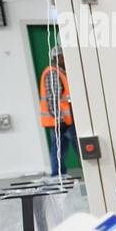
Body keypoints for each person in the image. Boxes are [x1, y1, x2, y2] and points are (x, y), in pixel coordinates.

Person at [40, 45, 76, 177]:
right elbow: (53, 98)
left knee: (61, 149)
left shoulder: (61, 72)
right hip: (60, 121)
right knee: (59, 149)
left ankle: (59, 176)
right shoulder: (52, 72)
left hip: (65, 120)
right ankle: (57, 176)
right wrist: (59, 120)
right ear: (58, 58)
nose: (66, 59)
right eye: (63, 56)